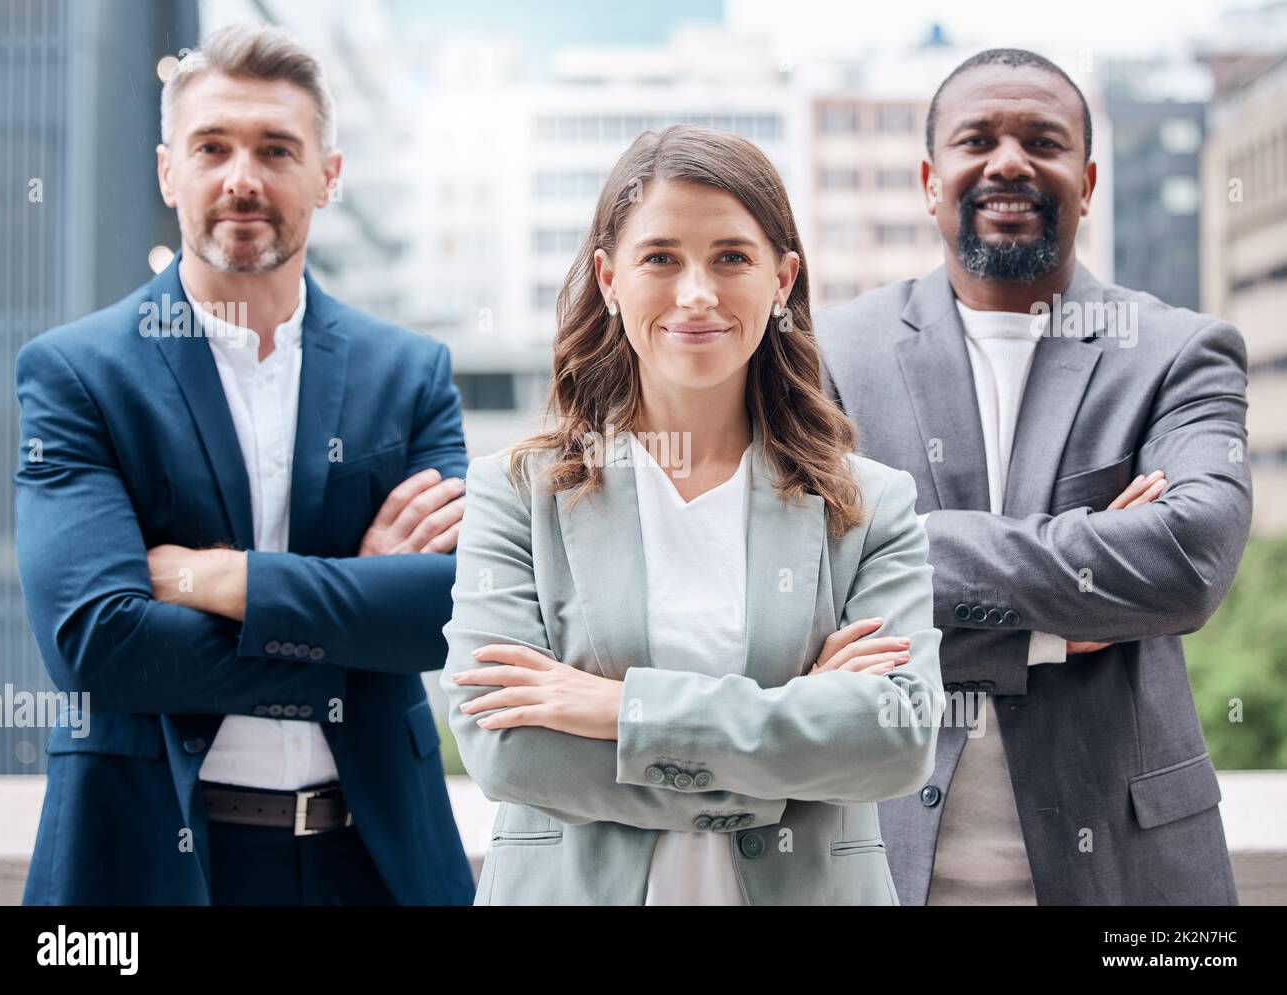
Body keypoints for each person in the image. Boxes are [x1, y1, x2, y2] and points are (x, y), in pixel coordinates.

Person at [15, 23, 474, 906]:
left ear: (328, 176)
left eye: (276, 149)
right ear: (166, 170)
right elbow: (101, 646)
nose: (243, 178)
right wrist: (353, 595)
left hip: (372, 860)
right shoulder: (77, 373)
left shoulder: (409, 373)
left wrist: (214, 578)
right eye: (213, 147)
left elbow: (440, 616)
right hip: (149, 856)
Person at [440, 124, 943, 905]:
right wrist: (790, 742)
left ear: (783, 279)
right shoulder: (515, 493)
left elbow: (893, 739)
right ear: (609, 279)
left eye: (732, 257)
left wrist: (617, 708)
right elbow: (510, 753)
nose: (697, 293)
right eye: (661, 257)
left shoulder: (866, 504)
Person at [816, 48, 1250, 905]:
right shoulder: (828, 354)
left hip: (1133, 878)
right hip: (879, 860)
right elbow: (804, 582)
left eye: (1041, 142)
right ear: (930, 178)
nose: (1009, 161)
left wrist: (891, 551)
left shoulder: (1180, 352)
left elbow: (1188, 563)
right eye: (977, 139)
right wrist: (1050, 625)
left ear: (1086, 181)